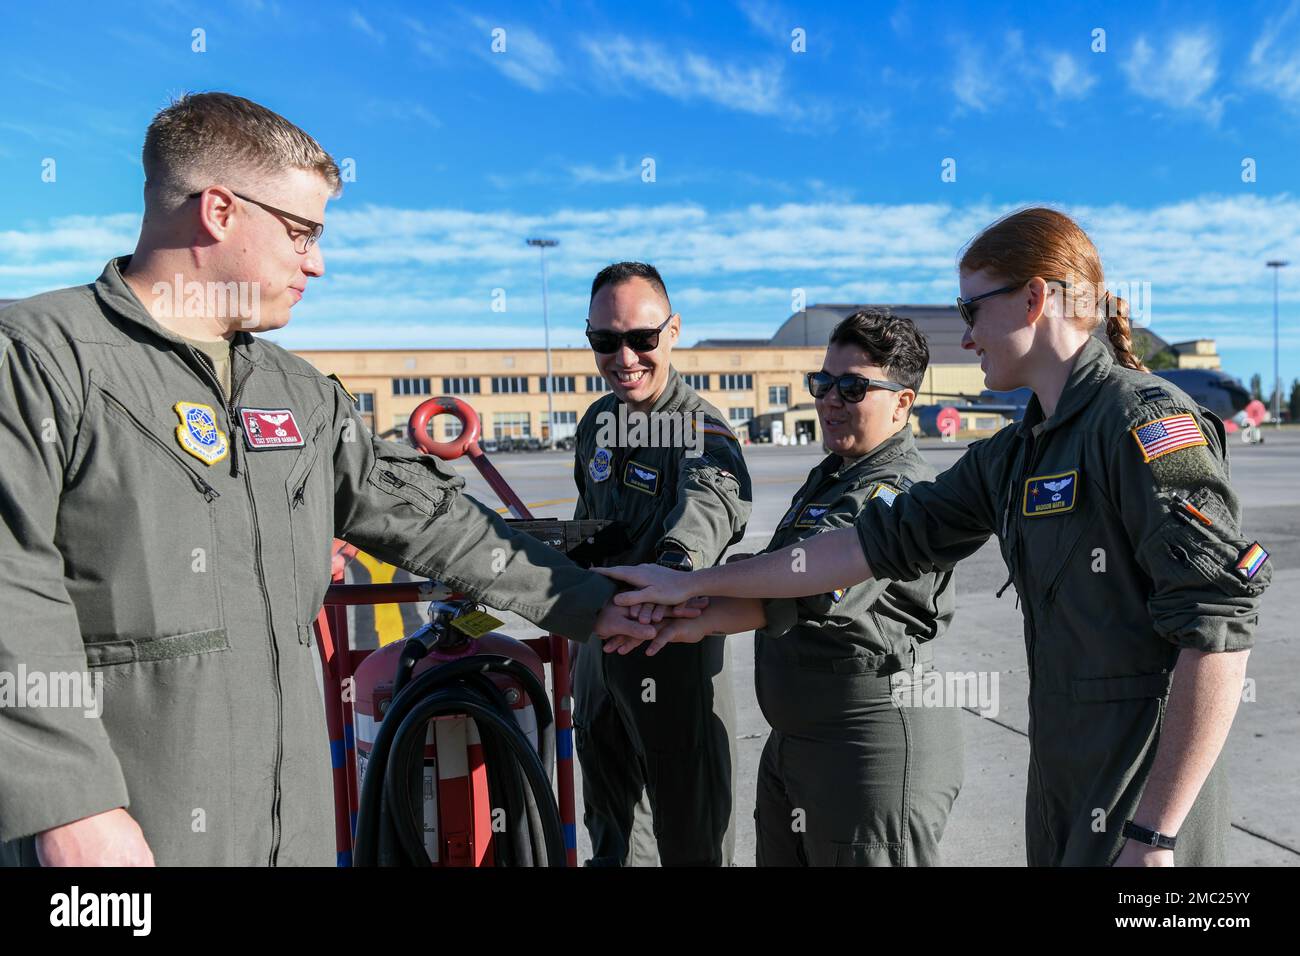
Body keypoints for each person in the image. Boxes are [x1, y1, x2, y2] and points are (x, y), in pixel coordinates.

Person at [0, 92, 665, 867]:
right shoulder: (42, 359)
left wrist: (592, 605)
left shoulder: (299, 393)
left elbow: (436, 523)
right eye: (301, 232)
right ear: (219, 210)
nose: (316, 260)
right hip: (124, 833)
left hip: (291, 827)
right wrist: (70, 803)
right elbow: (11, 583)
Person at [598, 207, 1272, 867]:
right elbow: (867, 544)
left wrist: (1154, 835)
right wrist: (693, 585)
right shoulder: (1015, 453)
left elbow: (1219, 631)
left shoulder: (1145, 422)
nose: (968, 335)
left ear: (1035, 299)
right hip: (1064, 773)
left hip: (1146, 788)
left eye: (972, 310)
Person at [611, 309, 962, 865]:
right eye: (822, 383)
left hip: (865, 743)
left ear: (903, 402)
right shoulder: (834, 474)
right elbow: (770, 584)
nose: (830, 399)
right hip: (795, 741)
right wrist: (684, 617)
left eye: (853, 387)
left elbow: (808, 580)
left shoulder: (898, 491)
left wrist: (690, 586)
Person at [571, 262, 752, 867]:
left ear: (672, 331)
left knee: (686, 824)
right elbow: (587, 517)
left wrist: (676, 569)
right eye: (605, 340)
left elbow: (714, 499)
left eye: (641, 338)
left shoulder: (697, 426)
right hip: (599, 644)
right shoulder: (598, 422)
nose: (624, 357)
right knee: (610, 813)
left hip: (668, 645)